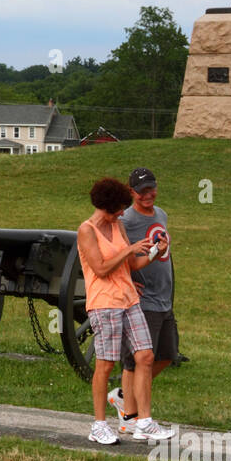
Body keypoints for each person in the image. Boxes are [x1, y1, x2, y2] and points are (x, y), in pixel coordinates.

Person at [77, 177, 177, 445]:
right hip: (104, 303)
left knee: (145, 356)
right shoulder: (87, 230)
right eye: (120, 207)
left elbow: (132, 265)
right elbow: (100, 268)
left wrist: (155, 251)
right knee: (106, 364)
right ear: (108, 206)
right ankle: (99, 425)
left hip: (129, 299)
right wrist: (129, 249)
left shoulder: (118, 225)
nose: (123, 212)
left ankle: (143, 422)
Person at [109, 167, 181, 437]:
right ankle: (130, 417)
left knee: (167, 355)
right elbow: (117, 257)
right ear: (131, 193)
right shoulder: (124, 221)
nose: (148, 195)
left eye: (151, 188)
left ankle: (125, 398)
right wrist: (128, 282)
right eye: (142, 191)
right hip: (143, 301)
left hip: (163, 298)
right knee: (137, 362)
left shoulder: (161, 214)